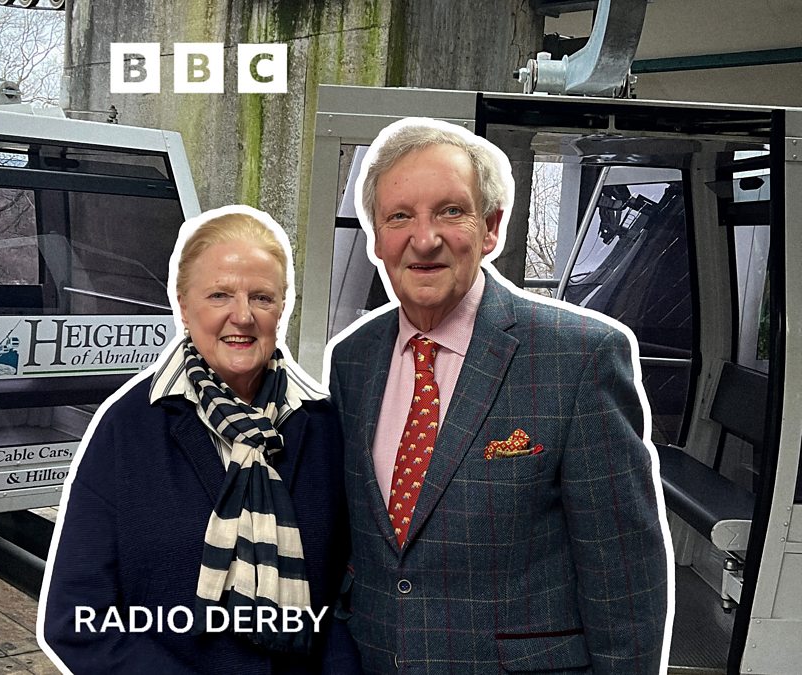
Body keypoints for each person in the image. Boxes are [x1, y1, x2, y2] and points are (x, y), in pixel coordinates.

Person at [326, 118, 670, 674]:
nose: (424, 238)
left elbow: (624, 578)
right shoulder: (353, 359)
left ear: (490, 228)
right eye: (399, 217)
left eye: (450, 211)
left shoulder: (579, 358)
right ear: (376, 238)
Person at [40, 206, 357, 674]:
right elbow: (74, 620)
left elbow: (345, 603)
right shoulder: (126, 430)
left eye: (263, 297)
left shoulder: (325, 427)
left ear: (283, 308)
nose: (242, 316)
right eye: (219, 295)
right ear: (183, 306)